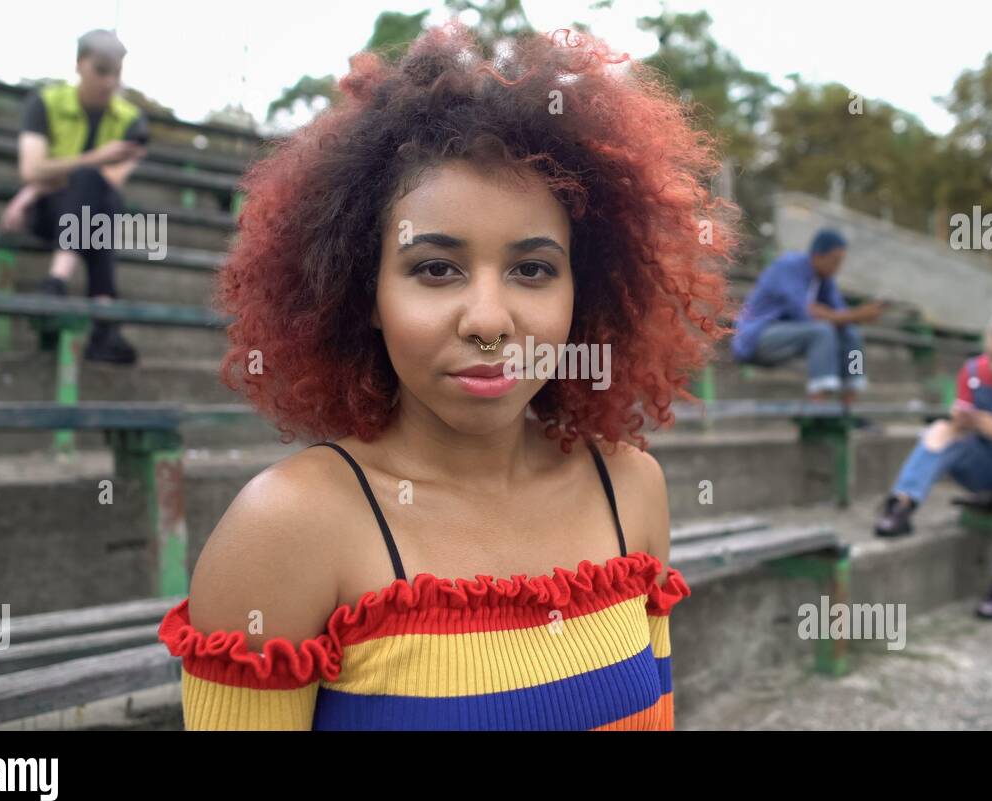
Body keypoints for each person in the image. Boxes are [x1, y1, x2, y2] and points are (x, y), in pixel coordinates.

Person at [156, 21, 740, 730]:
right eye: (435, 268)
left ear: (582, 292)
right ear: (362, 293)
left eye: (533, 269)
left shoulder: (632, 490)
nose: (489, 320)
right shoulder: (286, 529)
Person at [873, 300, 992, 619]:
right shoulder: (974, 372)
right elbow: (959, 422)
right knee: (939, 431)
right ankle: (902, 505)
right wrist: (960, 421)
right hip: (982, 466)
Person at [0, 28, 148, 365]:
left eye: (117, 72)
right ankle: (104, 322)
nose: (110, 81)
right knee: (98, 197)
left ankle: (56, 282)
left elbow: (109, 179)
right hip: (47, 214)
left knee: (100, 196)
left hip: (91, 211)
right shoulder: (45, 101)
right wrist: (92, 159)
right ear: (80, 64)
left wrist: (35, 186)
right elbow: (30, 169)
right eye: (102, 70)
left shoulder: (132, 120)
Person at [730, 228, 885, 404]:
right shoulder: (788, 266)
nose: (838, 268)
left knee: (851, 334)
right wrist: (854, 315)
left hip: (791, 335)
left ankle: (850, 400)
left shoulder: (824, 278)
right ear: (818, 255)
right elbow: (805, 313)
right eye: (835, 261)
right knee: (822, 332)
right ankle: (818, 409)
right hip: (756, 337)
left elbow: (841, 315)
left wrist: (852, 316)